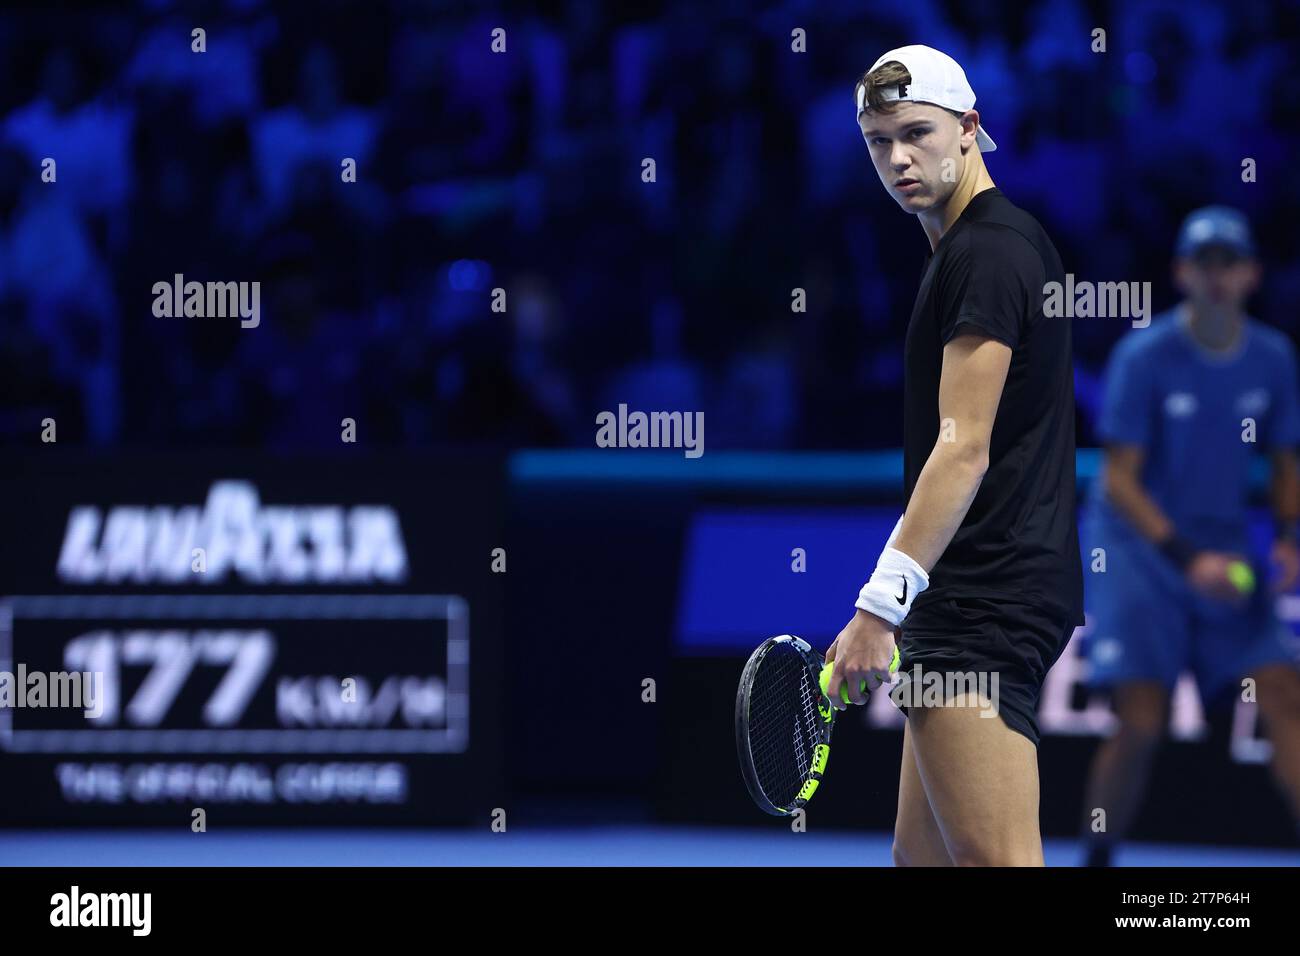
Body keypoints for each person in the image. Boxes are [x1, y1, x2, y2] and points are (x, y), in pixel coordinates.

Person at [825, 45, 1083, 866]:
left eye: (917, 132)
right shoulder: (973, 250)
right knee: (924, 860)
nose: (898, 158)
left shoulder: (988, 252)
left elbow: (962, 450)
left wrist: (878, 609)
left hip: (982, 601)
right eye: (877, 140)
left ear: (970, 129)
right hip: (969, 596)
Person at [1079, 206, 1300, 866]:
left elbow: (1287, 462)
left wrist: (1287, 539)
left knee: (1286, 698)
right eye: (1203, 265)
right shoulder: (1143, 357)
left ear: (1251, 274)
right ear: (1181, 274)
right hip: (1140, 553)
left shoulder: (1274, 358)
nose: (1217, 278)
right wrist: (1186, 559)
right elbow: (1119, 479)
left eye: (1229, 264)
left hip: (1225, 552)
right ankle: (1096, 858)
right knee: (1141, 721)